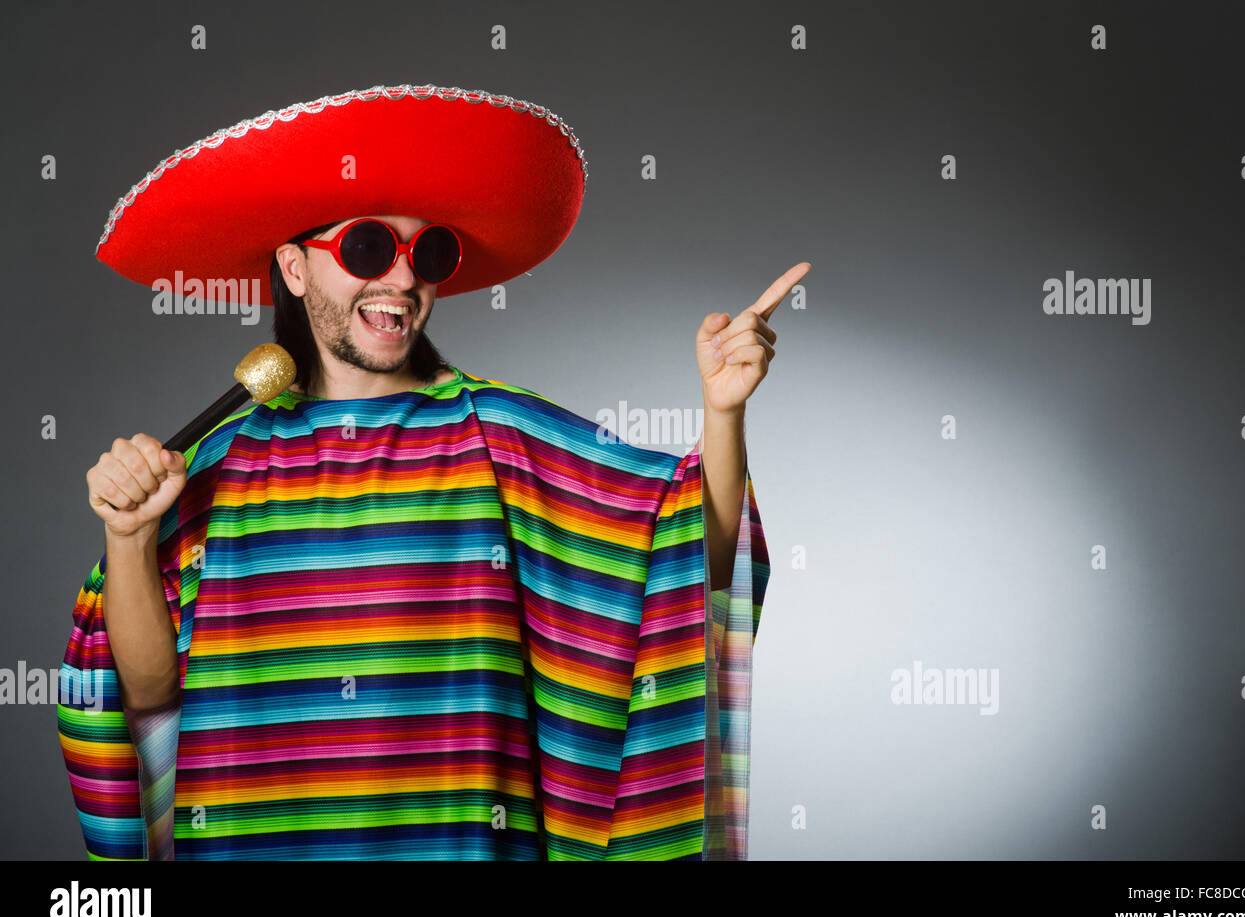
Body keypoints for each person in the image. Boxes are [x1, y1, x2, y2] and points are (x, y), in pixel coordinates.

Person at [59, 83, 801, 860]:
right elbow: (146, 697)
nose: (404, 279)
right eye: (370, 247)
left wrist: (723, 415)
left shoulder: (505, 437)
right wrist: (131, 535)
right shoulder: (218, 462)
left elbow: (695, 558)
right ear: (295, 267)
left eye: (430, 252)